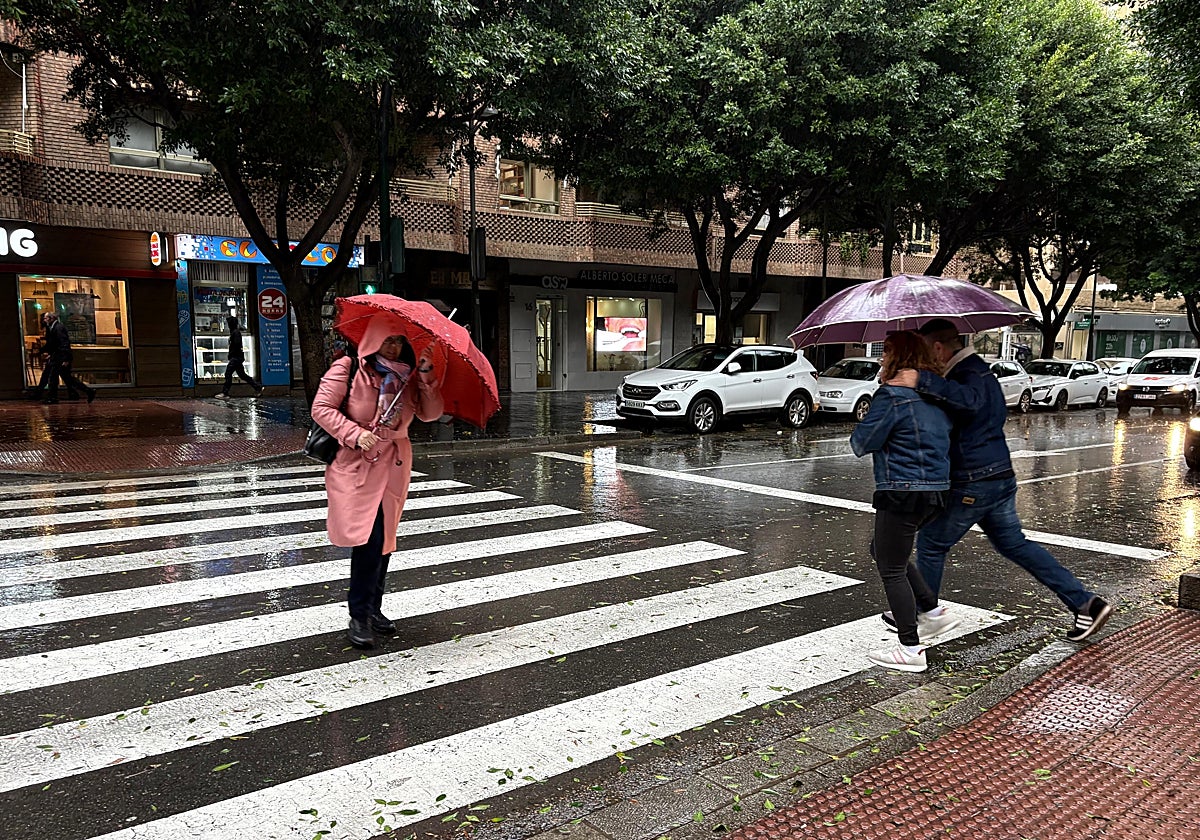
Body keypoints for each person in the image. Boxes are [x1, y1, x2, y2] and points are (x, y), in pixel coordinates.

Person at [888, 319, 1112, 642]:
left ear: (937, 348)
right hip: (996, 477)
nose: (923, 359)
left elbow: (968, 401)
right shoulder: (977, 373)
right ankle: (1085, 603)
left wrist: (921, 380)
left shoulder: (970, 374)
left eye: (925, 351)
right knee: (1015, 545)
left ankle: (922, 613)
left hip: (975, 481)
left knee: (932, 543)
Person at [309, 319, 445, 648]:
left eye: (399, 341)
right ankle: (359, 614)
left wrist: (426, 373)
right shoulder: (349, 368)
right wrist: (355, 434)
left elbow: (430, 414)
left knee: (384, 540)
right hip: (355, 465)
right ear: (371, 341)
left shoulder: (409, 375)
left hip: (393, 464)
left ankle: (373, 608)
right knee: (368, 539)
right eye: (387, 340)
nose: (394, 348)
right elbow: (321, 408)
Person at [851, 331, 961, 673]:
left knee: (891, 568)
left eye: (886, 352)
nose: (882, 358)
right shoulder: (935, 395)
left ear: (898, 357)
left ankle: (910, 648)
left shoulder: (892, 396)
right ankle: (932, 610)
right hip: (937, 490)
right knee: (883, 550)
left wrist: (871, 413)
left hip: (902, 490)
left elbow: (862, 442)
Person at [40, 311, 96, 405]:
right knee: (67, 378)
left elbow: (64, 343)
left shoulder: (58, 328)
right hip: (58, 356)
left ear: (51, 319)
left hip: (60, 357)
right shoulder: (54, 327)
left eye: (46, 318)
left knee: (54, 377)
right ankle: (88, 391)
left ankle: (52, 397)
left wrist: (66, 358)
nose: (44, 320)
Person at [215, 315, 263, 399]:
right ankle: (257, 387)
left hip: (235, 358)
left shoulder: (235, 333)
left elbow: (236, 345)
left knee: (228, 374)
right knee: (242, 375)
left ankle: (225, 393)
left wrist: (232, 354)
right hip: (237, 357)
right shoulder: (235, 332)